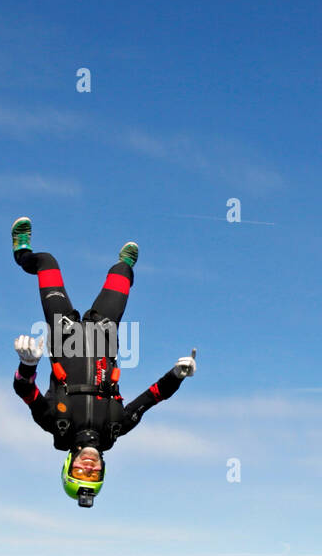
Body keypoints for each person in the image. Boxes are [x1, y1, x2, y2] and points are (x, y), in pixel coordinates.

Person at [10, 217, 196, 507]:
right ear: (103, 471)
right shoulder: (115, 427)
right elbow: (153, 397)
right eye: (94, 474)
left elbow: (25, 390)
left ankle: (22, 253)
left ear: (69, 465)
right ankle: (125, 265)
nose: (89, 467)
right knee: (122, 270)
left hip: (65, 335)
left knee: (46, 262)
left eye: (80, 472)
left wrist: (29, 363)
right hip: (102, 337)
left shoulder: (54, 424)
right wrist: (177, 375)